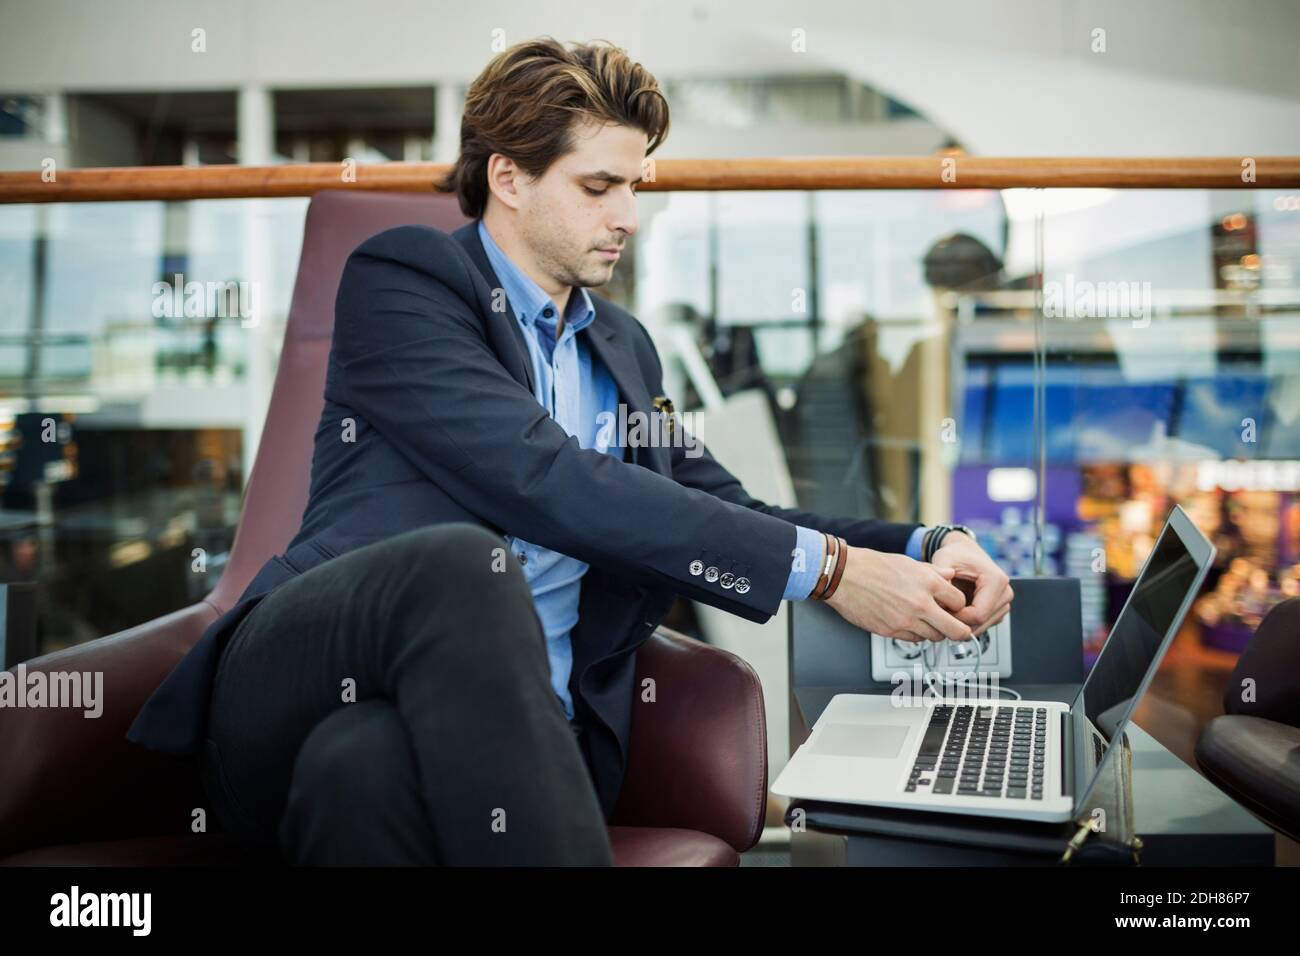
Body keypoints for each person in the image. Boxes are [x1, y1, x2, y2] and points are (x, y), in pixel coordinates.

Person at [126, 36, 1013, 865]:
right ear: (507, 177)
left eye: (636, 185)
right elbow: (540, 477)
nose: (628, 215)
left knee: (360, 770)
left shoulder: (622, 349)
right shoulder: (405, 283)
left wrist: (915, 548)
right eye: (598, 187)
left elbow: (732, 514)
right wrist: (825, 572)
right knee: (463, 566)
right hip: (304, 683)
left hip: (521, 746)